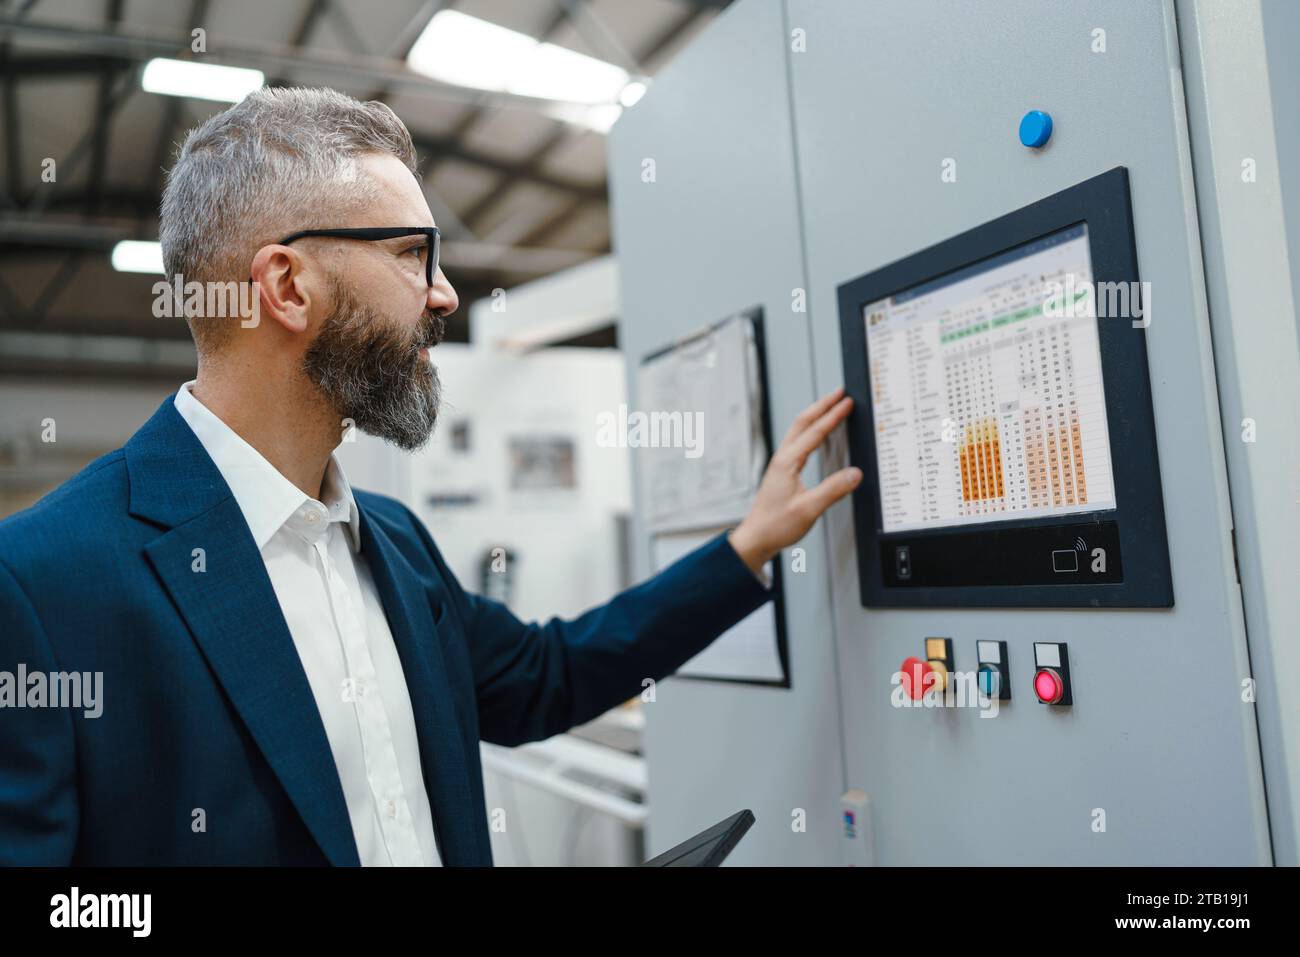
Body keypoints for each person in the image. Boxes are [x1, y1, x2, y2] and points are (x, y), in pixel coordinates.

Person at [0, 87, 861, 865]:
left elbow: (548, 675)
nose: (445, 294)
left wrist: (748, 546)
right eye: (413, 254)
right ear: (288, 285)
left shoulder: (393, 543)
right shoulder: (46, 582)